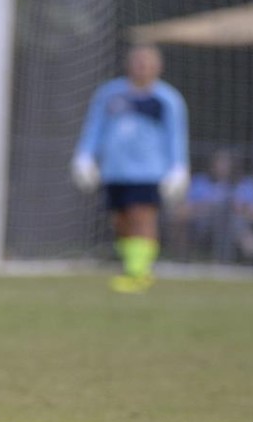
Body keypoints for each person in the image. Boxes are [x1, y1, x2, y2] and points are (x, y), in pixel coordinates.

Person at [70, 44, 189, 292]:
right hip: (114, 170)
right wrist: (85, 156)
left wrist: (178, 167)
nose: (142, 67)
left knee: (142, 216)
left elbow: (176, 136)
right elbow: (95, 127)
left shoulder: (166, 99)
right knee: (120, 220)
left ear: (158, 67)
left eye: (147, 63)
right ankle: (130, 267)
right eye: (138, 62)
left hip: (148, 171)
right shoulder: (110, 94)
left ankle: (139, 272)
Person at [180, 149, 253, 264]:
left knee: (231, 216)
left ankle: (226, 256)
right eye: (218, 163)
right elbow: (183, 211)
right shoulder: (200, 181)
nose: (221, 167)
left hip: (239, 223)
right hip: (205, 226)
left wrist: (242, 208)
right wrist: (205, 207)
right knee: (223, 212)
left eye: (225, 163)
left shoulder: (247, 183)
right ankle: (247, 242)